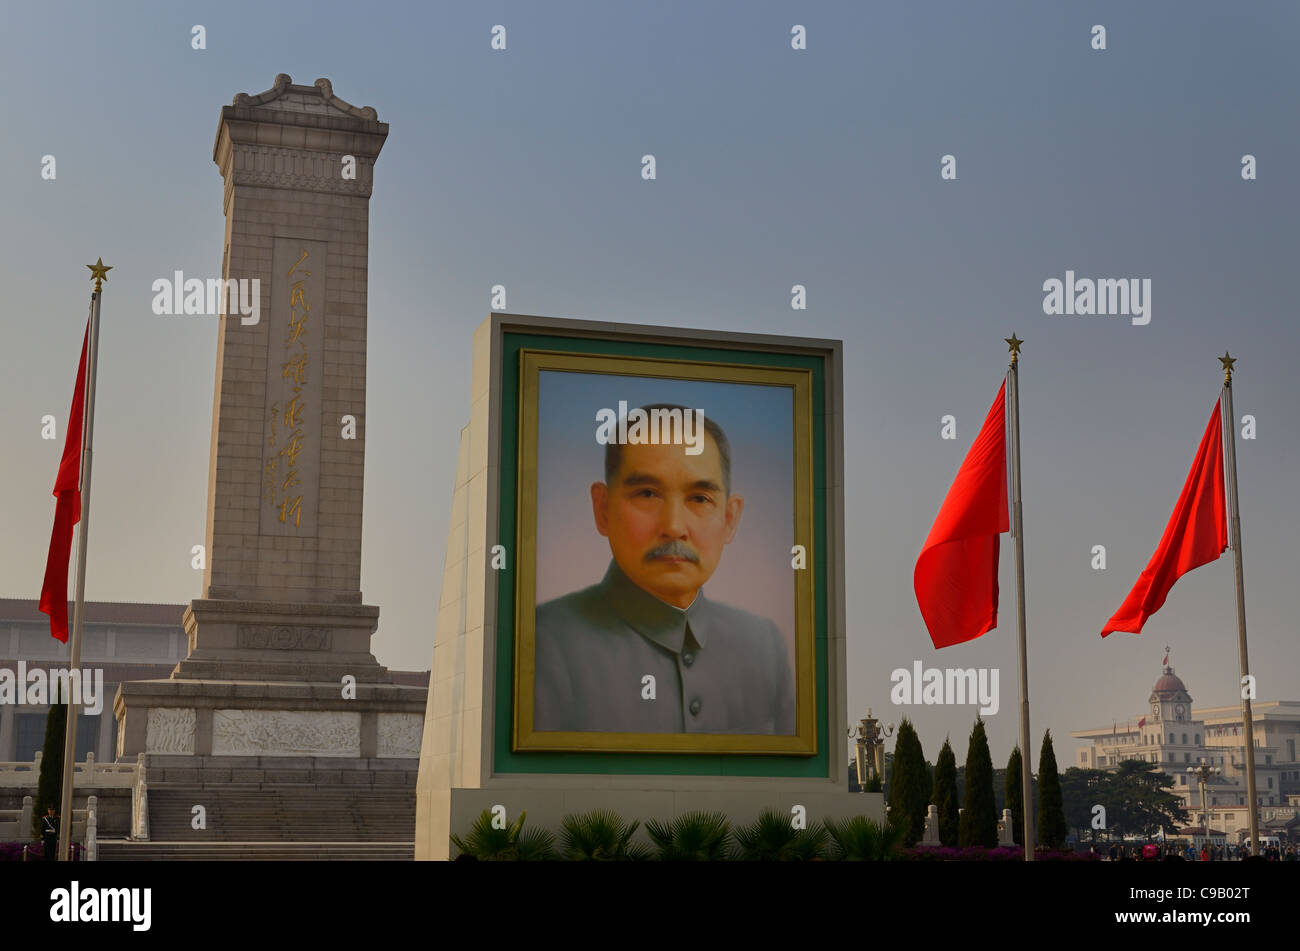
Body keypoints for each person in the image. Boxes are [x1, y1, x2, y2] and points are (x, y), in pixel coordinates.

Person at [534, 404, 795, 735]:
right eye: (647, 493)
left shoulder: (764, 647)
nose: (673, 527)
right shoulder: (544, 642)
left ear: (730, 519)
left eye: (699, 499)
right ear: (602, 508)